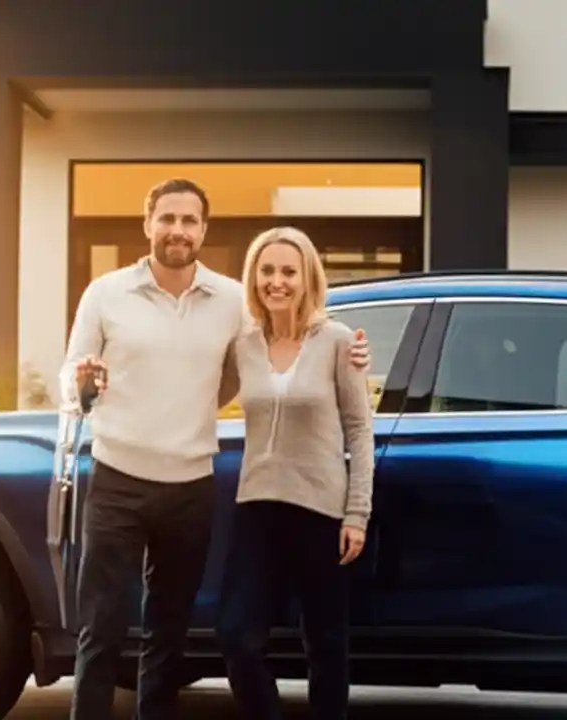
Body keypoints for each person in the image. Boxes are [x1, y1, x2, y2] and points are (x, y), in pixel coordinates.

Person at [60, 179, 369, 720]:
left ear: (203, 230)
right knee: (102, 628)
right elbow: (74, 379)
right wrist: (84, 385)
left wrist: (353, 345)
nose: (177, 230)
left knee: (169, 632)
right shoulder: (105, 294)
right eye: (167, 218)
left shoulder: (231, 301)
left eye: (189, 221)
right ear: (147, 223)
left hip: (191, 485)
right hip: (119, 478)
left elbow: (289, 334)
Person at [216, 226, 375, 720]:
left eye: (288, 271)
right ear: (253, 277)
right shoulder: (242, 345)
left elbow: (359, 430)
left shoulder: (338, 342)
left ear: (308, 278)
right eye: (267, 271)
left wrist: (357, 514)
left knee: (325, 643)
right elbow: (200, 397)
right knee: (236, 634)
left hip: (321, 510)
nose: (277, 281)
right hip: (257, 506)